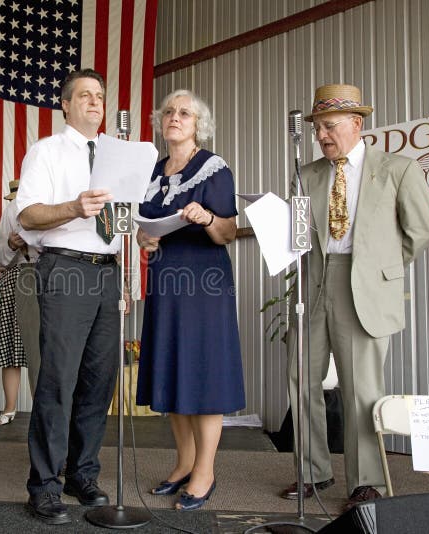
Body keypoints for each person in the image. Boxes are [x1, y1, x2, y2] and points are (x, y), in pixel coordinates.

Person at [280, 84, 429, 512]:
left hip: (363, 284)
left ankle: (367, 482)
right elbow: (297, 235)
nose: (322, 136)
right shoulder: (306, 174)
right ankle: (313, 472)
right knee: (301, 379)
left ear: (357, 125)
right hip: (314, 280)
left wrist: (380, 268)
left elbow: (422, 231)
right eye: (317, 129)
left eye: (330, 127)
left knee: (360, 389)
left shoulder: (397, 169)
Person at [16, 68, 121, 525]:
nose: (95, 103)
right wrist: (74, 207)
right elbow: (28, 214)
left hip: (110, 274)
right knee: (58, 379)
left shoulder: (118, 156)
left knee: (99, 381)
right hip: (65, 269)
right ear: (65, 105)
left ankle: (83, 473)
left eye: (100, 96)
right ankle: (44, 485)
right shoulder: (46, 152)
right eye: (85, 96)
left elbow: (125, 217)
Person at [135, 89, 245, 511]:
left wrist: (209, 218)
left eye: (184, 113)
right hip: (166, 280)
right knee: (173, 368)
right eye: (168, 112)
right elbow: (147, 228)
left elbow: (228, 233)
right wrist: (145, 238)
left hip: (205, 283)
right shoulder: (153, 170)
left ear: (198, 124)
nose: (174, 117)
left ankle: (205, 471)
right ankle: (182, 463)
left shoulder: (215, 168)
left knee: (203, 371)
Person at [0, 180, 40, 426]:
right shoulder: (7, 218)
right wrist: (12, 245)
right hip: (15, 277)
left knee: (39, 350)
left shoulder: (45, 211)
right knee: (10, 350)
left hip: (42, 277)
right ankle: (9, 407)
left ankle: (41, 410)